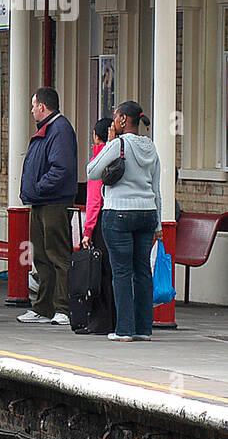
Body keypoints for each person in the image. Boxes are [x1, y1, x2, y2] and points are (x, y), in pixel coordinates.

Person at [87, 100, 161, 341]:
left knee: (121, 272)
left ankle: (124, 330)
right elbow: (157, 189)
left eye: (115, 116)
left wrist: (108, 144)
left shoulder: (117, 144)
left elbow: (92, 171)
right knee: (142, 271)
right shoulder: (151, 147)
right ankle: (143, 329)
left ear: (121, 121)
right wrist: (158, 224)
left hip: (118, 212)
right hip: (147, 213)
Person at [17, 86, 78, 326]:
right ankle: (43, 308)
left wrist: (40, 187)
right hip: (41, 201)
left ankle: (63, 308)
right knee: (41, 256)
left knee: (58, 255)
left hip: (54, 201)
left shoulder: (59, 129)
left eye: (33, 106)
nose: (32, 111)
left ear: (42, 106)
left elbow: (62, 168)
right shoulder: (48, 129)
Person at [78, 119, 116, 334]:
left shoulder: (99, 159)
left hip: (102, 220)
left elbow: (94, 199)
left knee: (100, 274)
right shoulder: (121, 155)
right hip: (120, 217)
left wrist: (87, 230)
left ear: (95, 136)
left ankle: (100, 322)